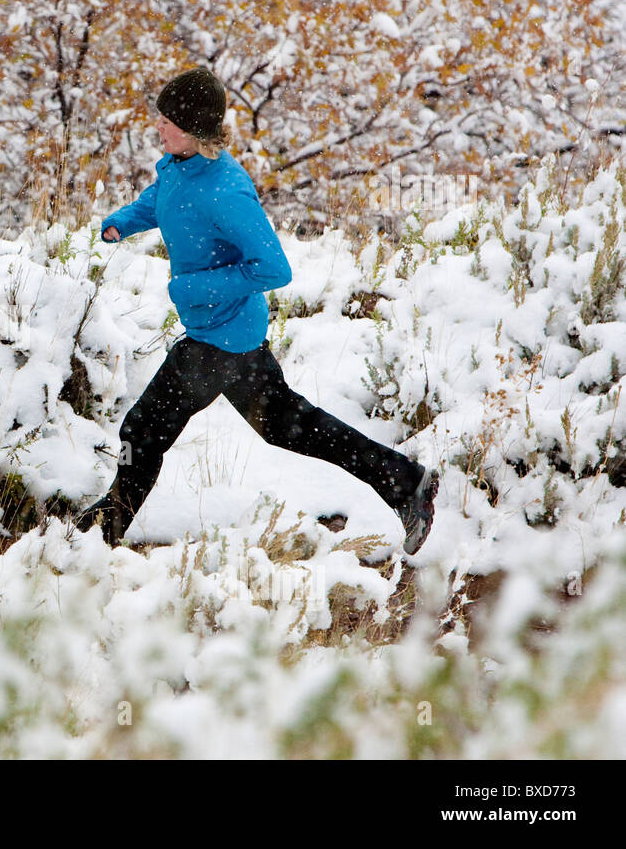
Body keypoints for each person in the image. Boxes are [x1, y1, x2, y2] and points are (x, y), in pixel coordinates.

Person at [77, 67, 439, 554]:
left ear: (194, 129)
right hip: (229, 336)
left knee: (141, 430)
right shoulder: (178, 165)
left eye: (167, 121)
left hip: (218, 340)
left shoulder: (227, 190)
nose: (157, 127)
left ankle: (100, 534)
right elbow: (163, 198)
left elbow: (273, 268)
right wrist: (124, 221)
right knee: (292, 428)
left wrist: (196, 286)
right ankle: (406, 481)